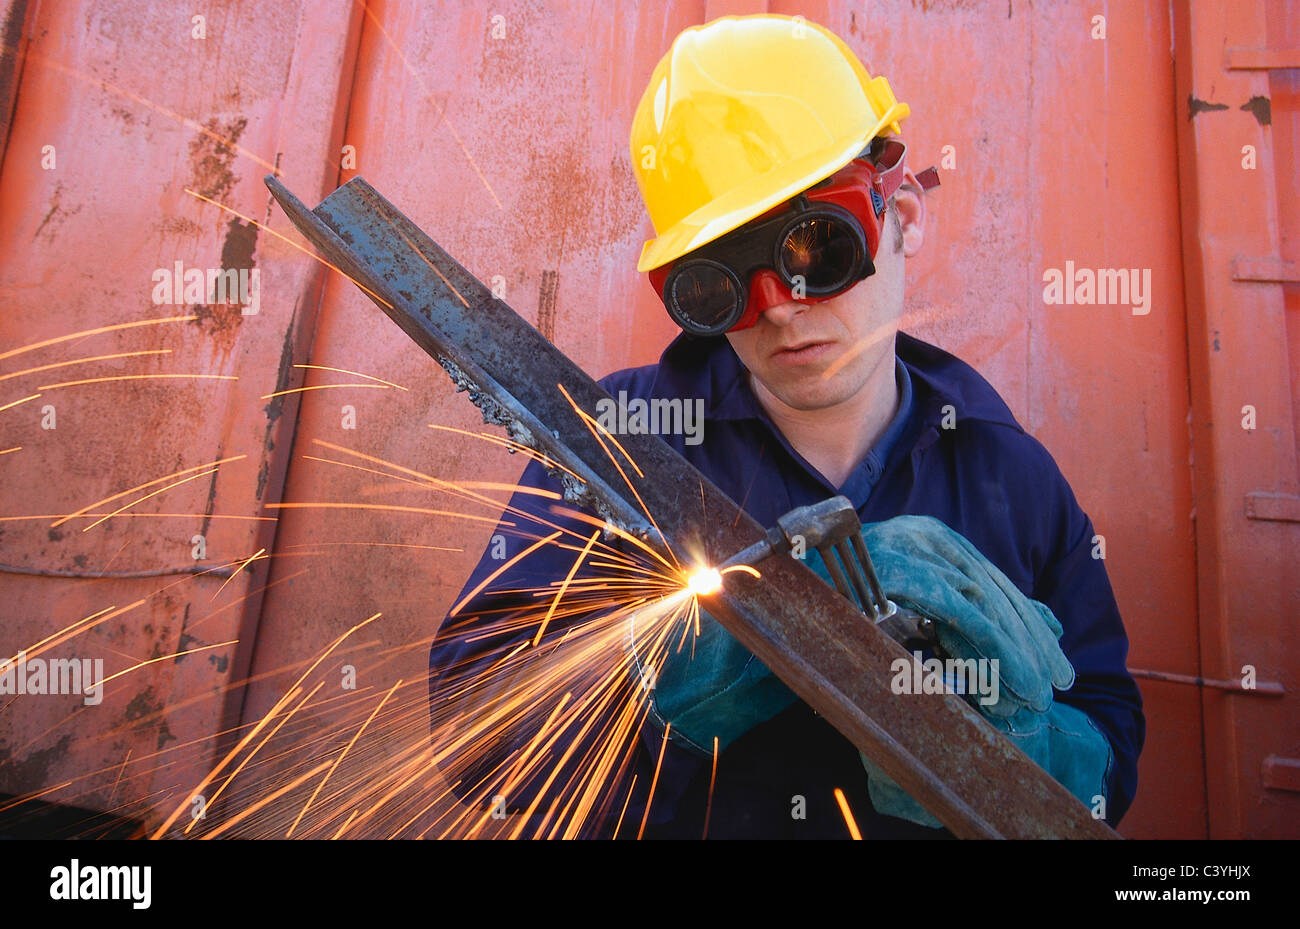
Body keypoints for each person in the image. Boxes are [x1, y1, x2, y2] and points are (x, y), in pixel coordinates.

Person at [429, 13, 1144, 839]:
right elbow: (472, 734)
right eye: (722, 282)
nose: (778, 308)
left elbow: (1108, 750)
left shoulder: (1013, 478)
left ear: (903, 213)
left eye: (816, 249)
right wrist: (698, 665)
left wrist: (1025, 749)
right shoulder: (614, 448)